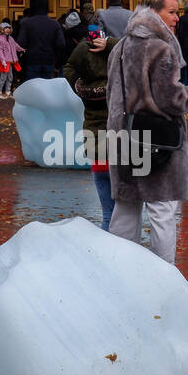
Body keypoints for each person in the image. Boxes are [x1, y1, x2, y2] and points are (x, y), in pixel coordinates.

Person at [106, 0, 188, 263]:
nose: (178, 18)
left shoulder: (120, 47)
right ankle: (165, 279)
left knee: (126, 208)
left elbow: (111, 94)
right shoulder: (160, 49)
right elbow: (172, 100)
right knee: (162, 211)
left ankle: (116, 271)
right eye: (172, 12)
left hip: (123, 136)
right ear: (153, 12)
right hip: (156, 141)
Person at [65, 22, 118, 229]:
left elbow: (68, 67)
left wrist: (78, 83)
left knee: (107, 214)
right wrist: (111, 44)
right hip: (120, 151)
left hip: (97, 152)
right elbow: (132, 51)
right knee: (124, 216)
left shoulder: (82, 51)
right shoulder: (118, 89)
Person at [17, 0, 64, 81]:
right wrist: (55, 59)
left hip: (32, 59)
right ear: (47, 8)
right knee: (46, 87)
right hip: (49, 59)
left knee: (33, 87)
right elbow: (61, 44)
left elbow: (21, 43)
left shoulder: (27, 23)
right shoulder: (54, 24)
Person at [0, 20, 24, 97]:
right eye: (5, 28)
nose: (7, 29)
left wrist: (22, 49)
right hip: (4, 61)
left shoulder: (11, 38)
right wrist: (3, 60)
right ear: (2, 30)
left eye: (9, 28)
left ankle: (8, 90)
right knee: (3, 77)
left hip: (10, 61)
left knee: (10, 76)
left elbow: (15, 46)